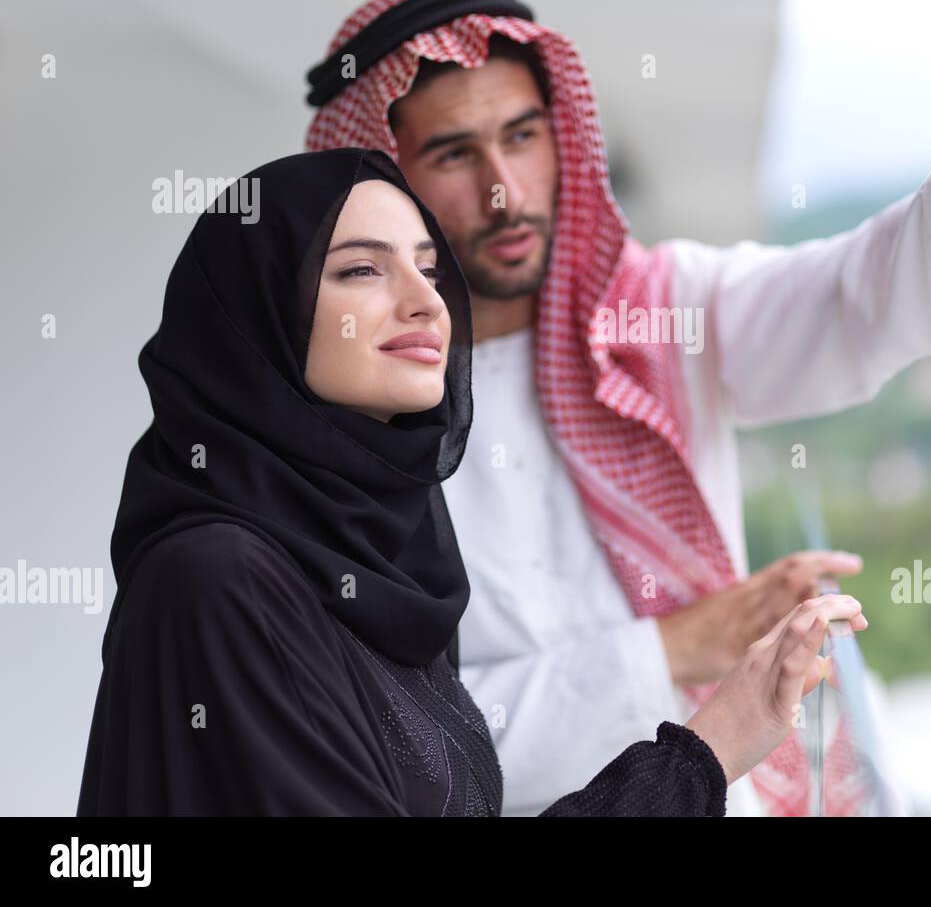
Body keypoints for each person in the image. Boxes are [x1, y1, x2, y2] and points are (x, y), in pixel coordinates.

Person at [304, 0, 931, 816]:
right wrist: (675, 648)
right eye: (455, 153)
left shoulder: (660, 310)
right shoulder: (340, 416)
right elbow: (391, 740)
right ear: (385, 182)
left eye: (524, 137)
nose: (505, 187)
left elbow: (849, 301)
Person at [75, 147, 867, 817]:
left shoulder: (388, 566)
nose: (426, 301)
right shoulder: (220, 581)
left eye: (428, 267)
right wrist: (704, 753)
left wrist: (716, 747)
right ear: (258, 319)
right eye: (360, 269)